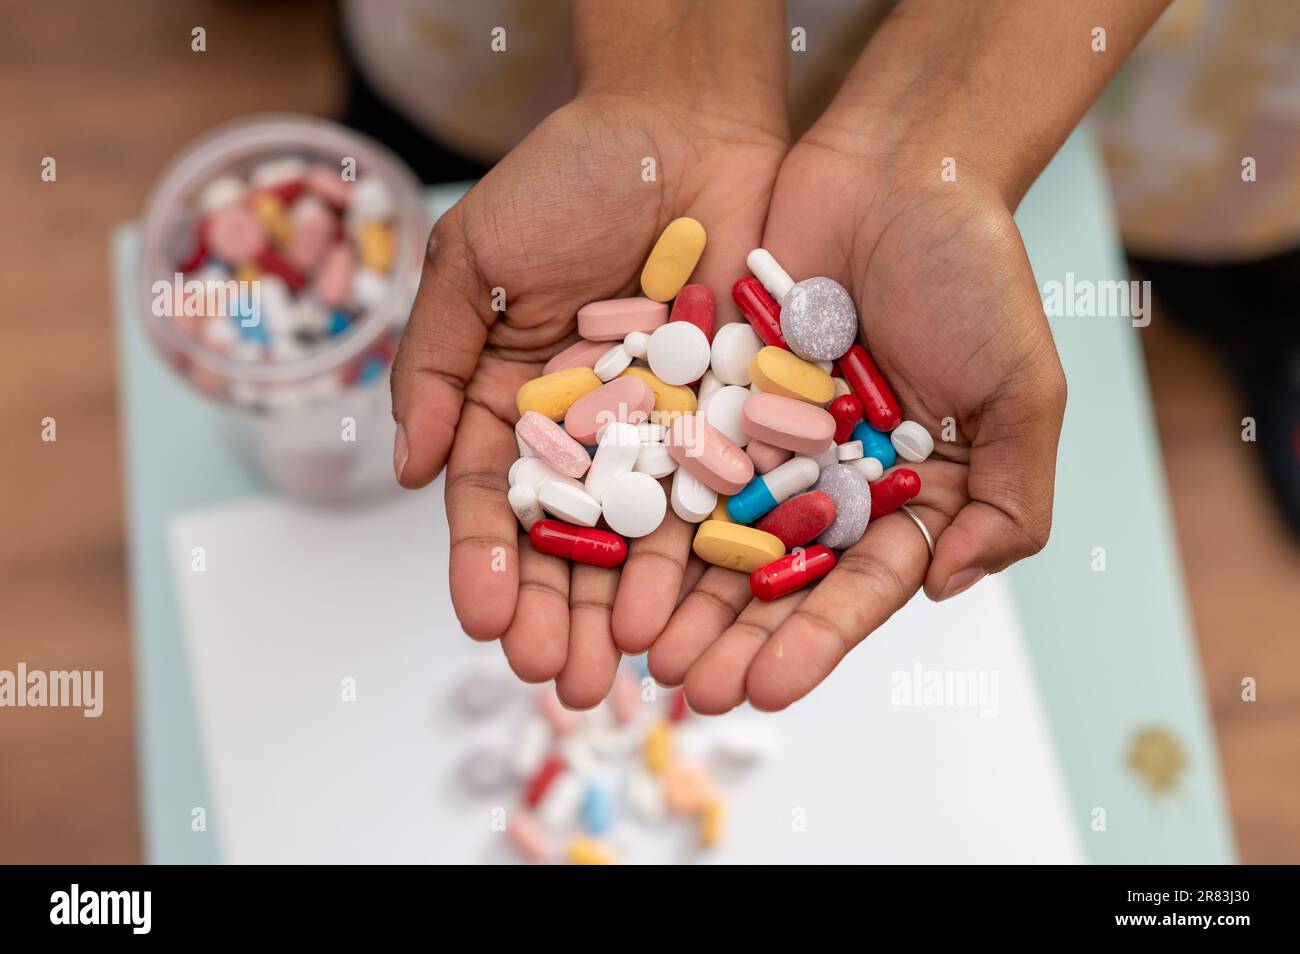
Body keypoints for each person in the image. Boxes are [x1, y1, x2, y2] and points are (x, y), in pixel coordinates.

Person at [355, 0, 1270, 713]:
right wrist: (665, 76)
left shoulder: (761, 396)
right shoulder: (705, 385)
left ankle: (1259, 326)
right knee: (448, 125)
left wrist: (936, 147)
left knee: (1236, 275)